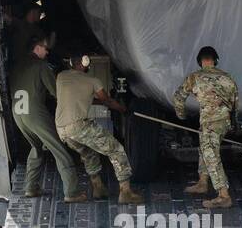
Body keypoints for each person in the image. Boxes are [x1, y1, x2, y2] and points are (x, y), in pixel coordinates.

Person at [55, 55, 143, 203]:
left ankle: (98, 188)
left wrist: (97, 101)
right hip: (78, 126)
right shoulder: (93, 81)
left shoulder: (61, 76)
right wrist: (122, 109)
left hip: (62, 130)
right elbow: (107, 100)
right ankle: (126, 192)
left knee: (89, 153)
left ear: (71, 64)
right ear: (85, 64)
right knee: (116, 149)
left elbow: (79, 97)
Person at [10, 35, 81, 201]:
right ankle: (72, 192)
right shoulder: (41, 66)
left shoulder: (16, 67)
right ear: (36, 48)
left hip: (18, 114)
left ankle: (31, 187)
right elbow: (56, 92)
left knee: (36, 148)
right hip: (34, 113)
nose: (47, 50)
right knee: (60, 150)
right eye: (44, 47)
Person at [172, 45, 239, 209]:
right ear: (215, 61)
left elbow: (178, 98)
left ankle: (223, 195)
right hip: (224, 122)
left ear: (200, 62)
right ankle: (202, 182)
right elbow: (236, 102)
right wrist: (234, 122)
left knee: (210, 154)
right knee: (204, 148)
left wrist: (182, 116)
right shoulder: (228, 77)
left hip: (209, 123)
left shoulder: (195, 77)